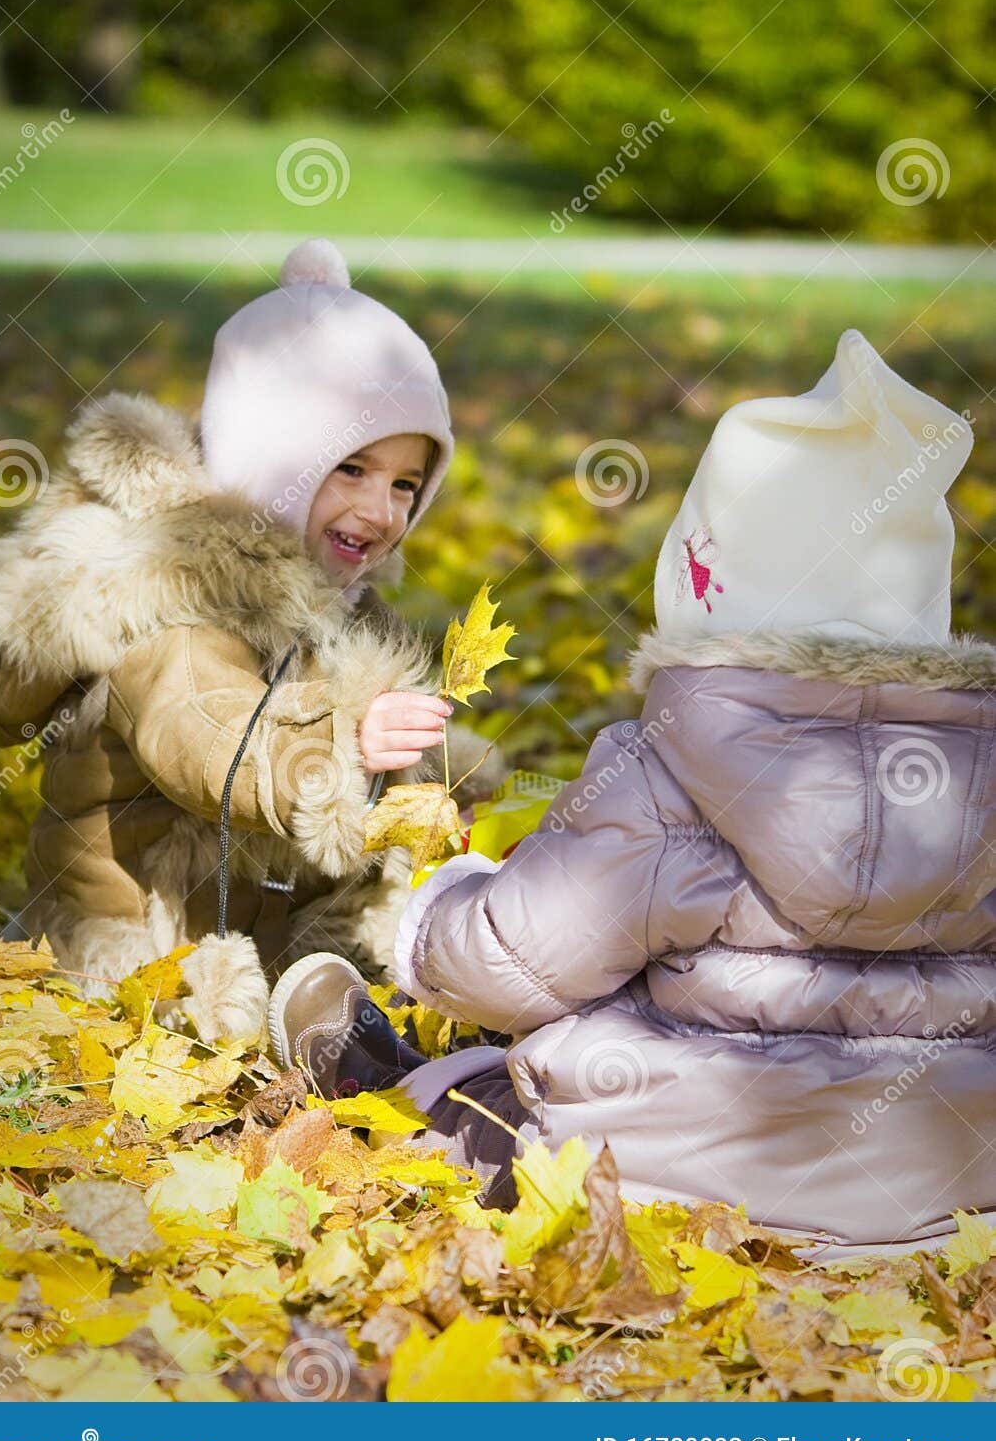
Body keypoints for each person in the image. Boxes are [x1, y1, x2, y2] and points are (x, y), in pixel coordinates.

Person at [268, 328, 996, 1256]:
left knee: (470, 1095)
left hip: (686, 1192)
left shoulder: (678, 766)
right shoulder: (973, 778)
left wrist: (440, 910)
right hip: (949, 1186)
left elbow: (504, 961)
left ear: (706, 588)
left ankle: (355, 1062)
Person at [0, 238, 499, 1046]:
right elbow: (204, 732)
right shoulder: (172, 594)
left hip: (265, 917)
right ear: (276, 461)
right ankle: (344, 1042)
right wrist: (336, 741)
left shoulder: (333, 600)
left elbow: (384, 710)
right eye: (351, 469)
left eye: (404, 484)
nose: (383, 509)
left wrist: (449, 779)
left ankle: (431, 988)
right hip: (142, 935)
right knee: (209, 1006)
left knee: (394, 911)